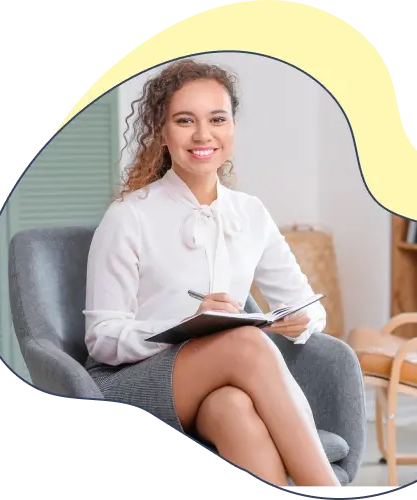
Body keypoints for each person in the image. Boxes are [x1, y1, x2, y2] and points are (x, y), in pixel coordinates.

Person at [83, 58, 342, 489]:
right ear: (162, 133)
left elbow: (307, 306)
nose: (203, 135)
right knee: (244, 341)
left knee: (234, 410)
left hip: (219, 384)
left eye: (217, 119)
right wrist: (182, 325)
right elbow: (101, 338)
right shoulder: (129, 216)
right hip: (131, 383)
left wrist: (303, 320)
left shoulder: (250, 212)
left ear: (233, 128)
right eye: (185, 120)